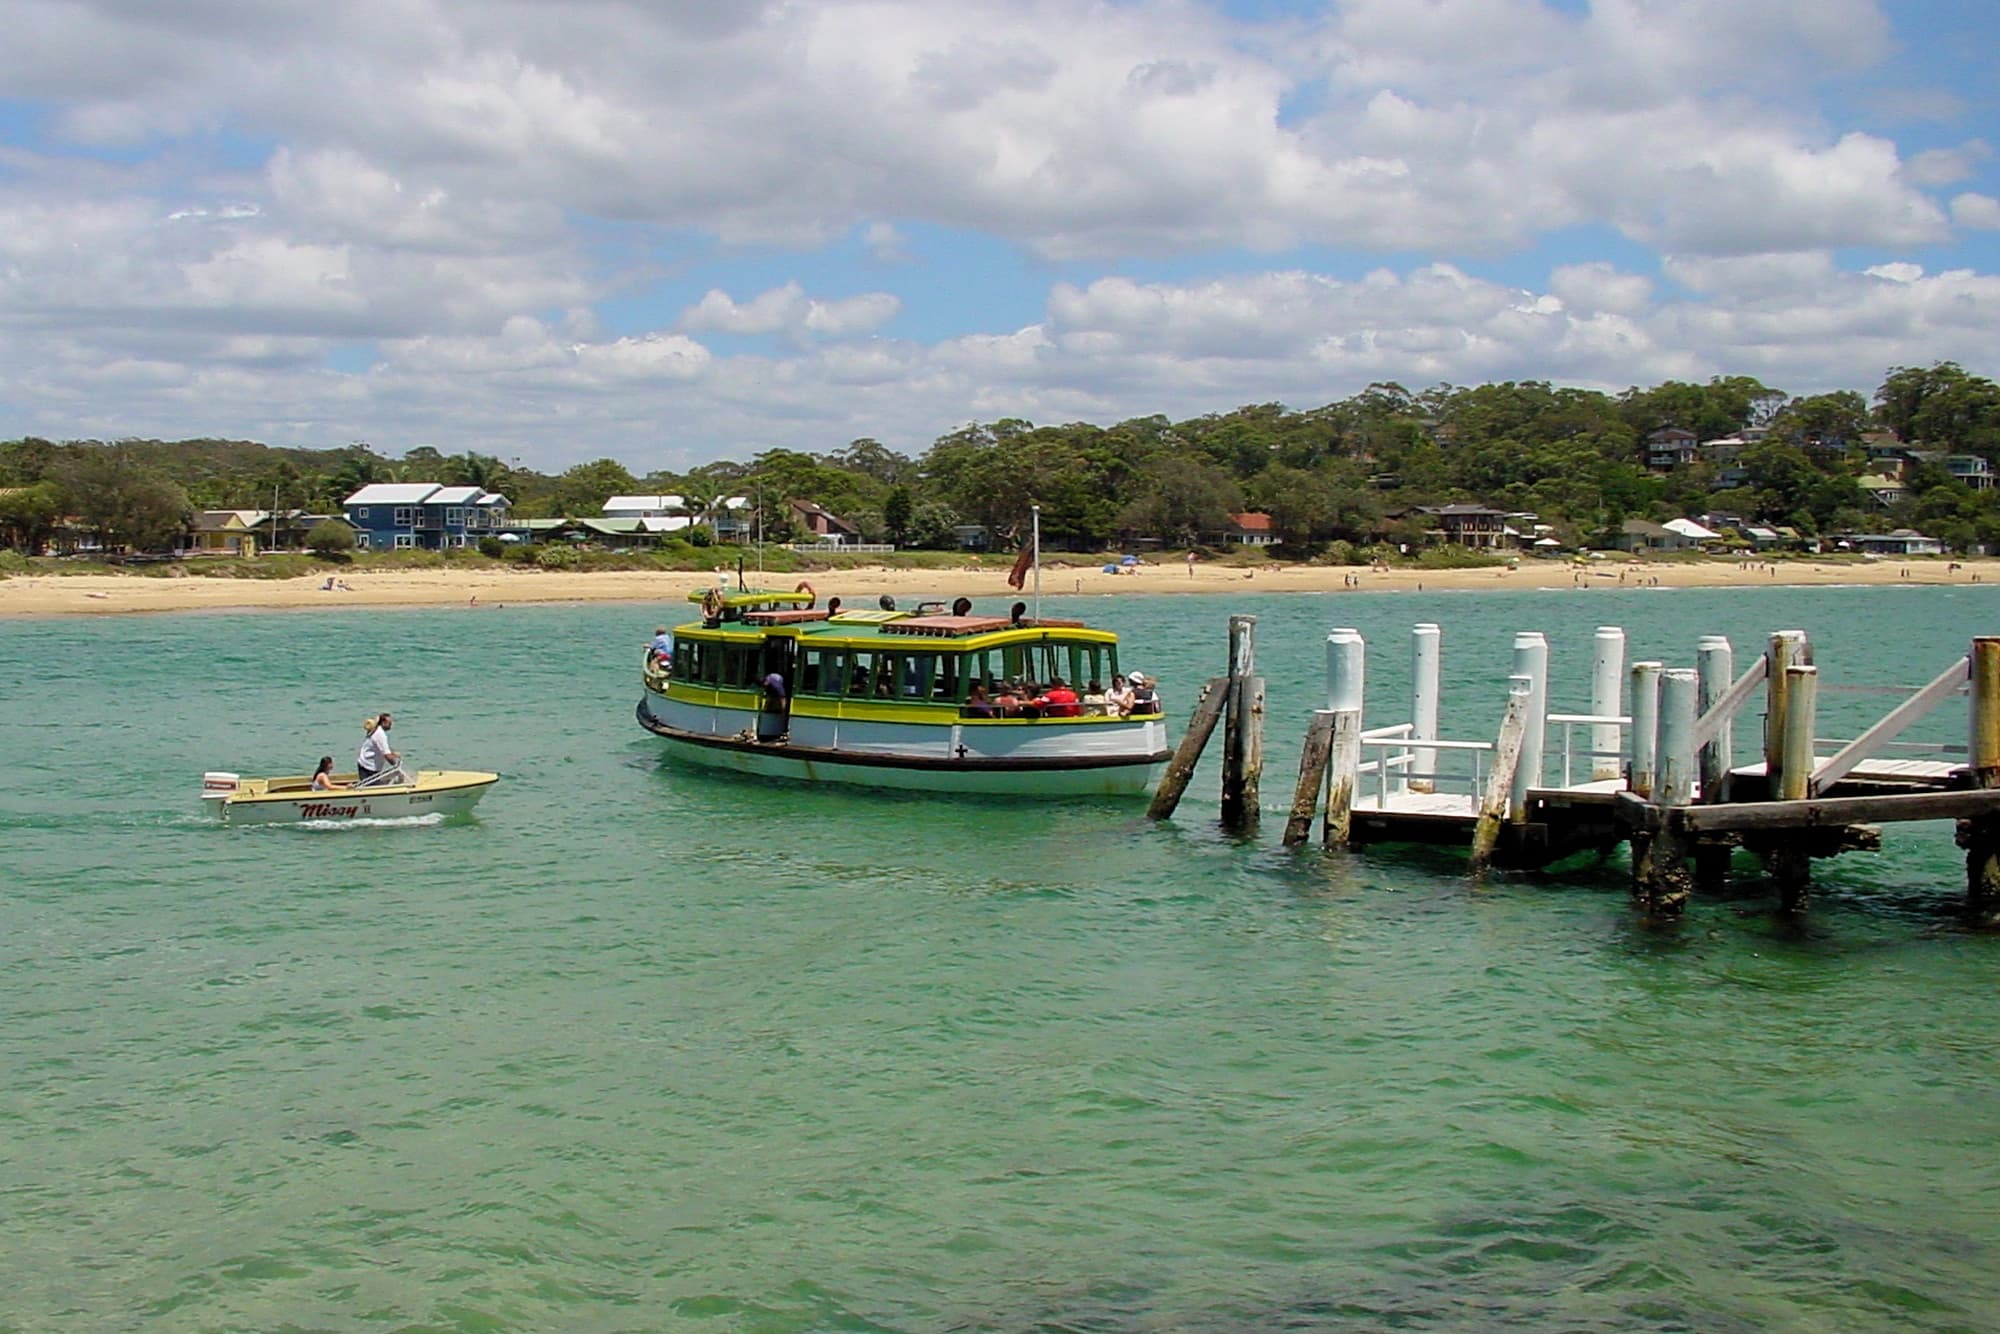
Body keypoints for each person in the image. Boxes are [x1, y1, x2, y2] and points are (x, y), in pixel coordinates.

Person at [356, 712, 398, 784]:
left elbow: (381, 748)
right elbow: (387, 755)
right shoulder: (380, 734)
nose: (391, 724)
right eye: (389, 722)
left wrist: (393, 754)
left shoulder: (377, 731)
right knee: (371, 788)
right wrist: (395, 764)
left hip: (366, 765)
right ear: (383, 723)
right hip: (368, 767)